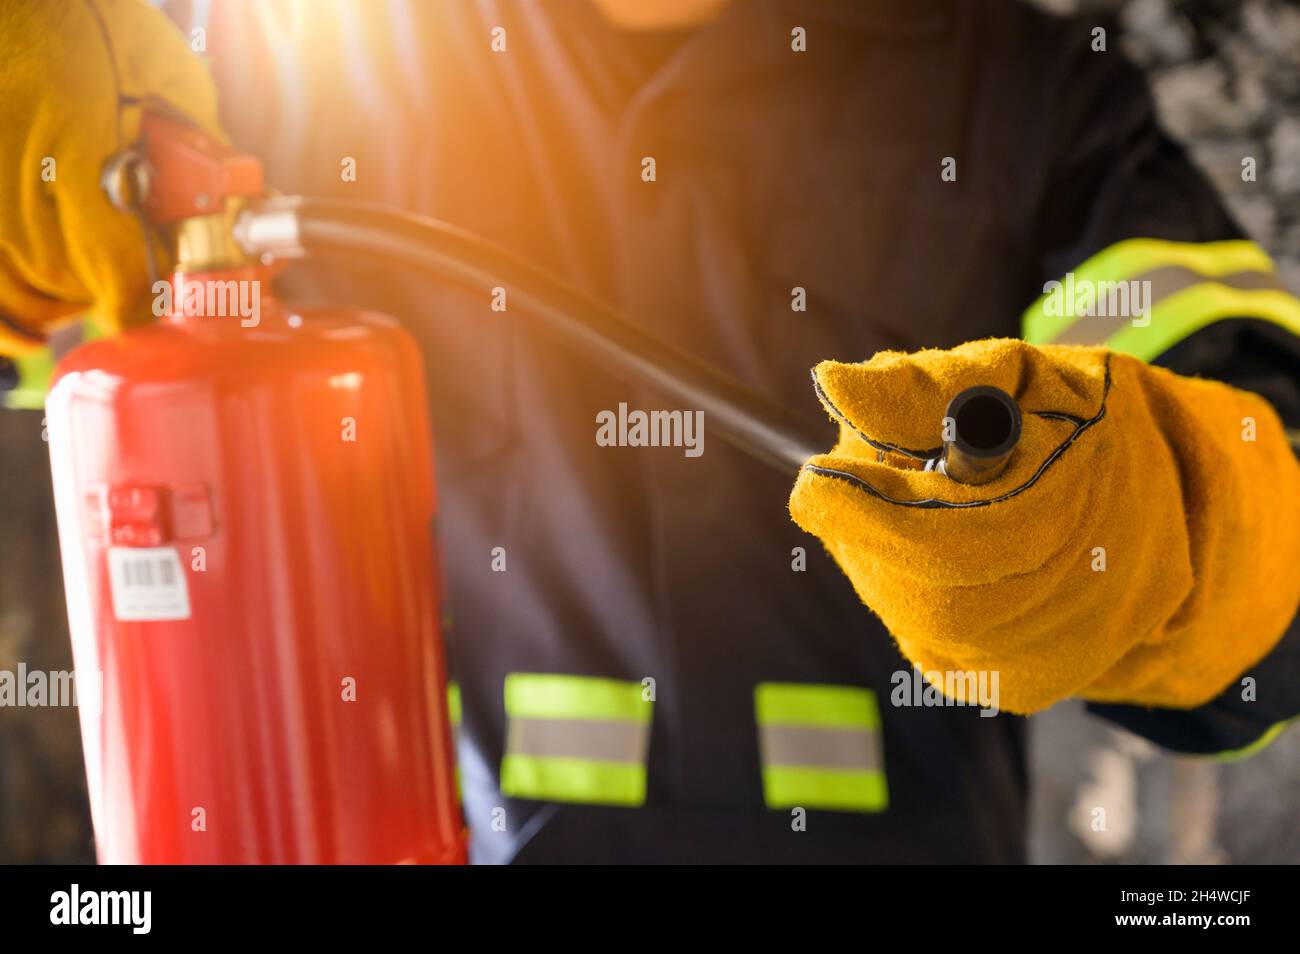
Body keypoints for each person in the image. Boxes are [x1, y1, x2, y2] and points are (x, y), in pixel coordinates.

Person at [2, 0, 1297, 863]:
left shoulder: (1023, 92)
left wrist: (1164, 519)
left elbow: (1251, 444)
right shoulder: (287, 63)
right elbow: (63, 356)